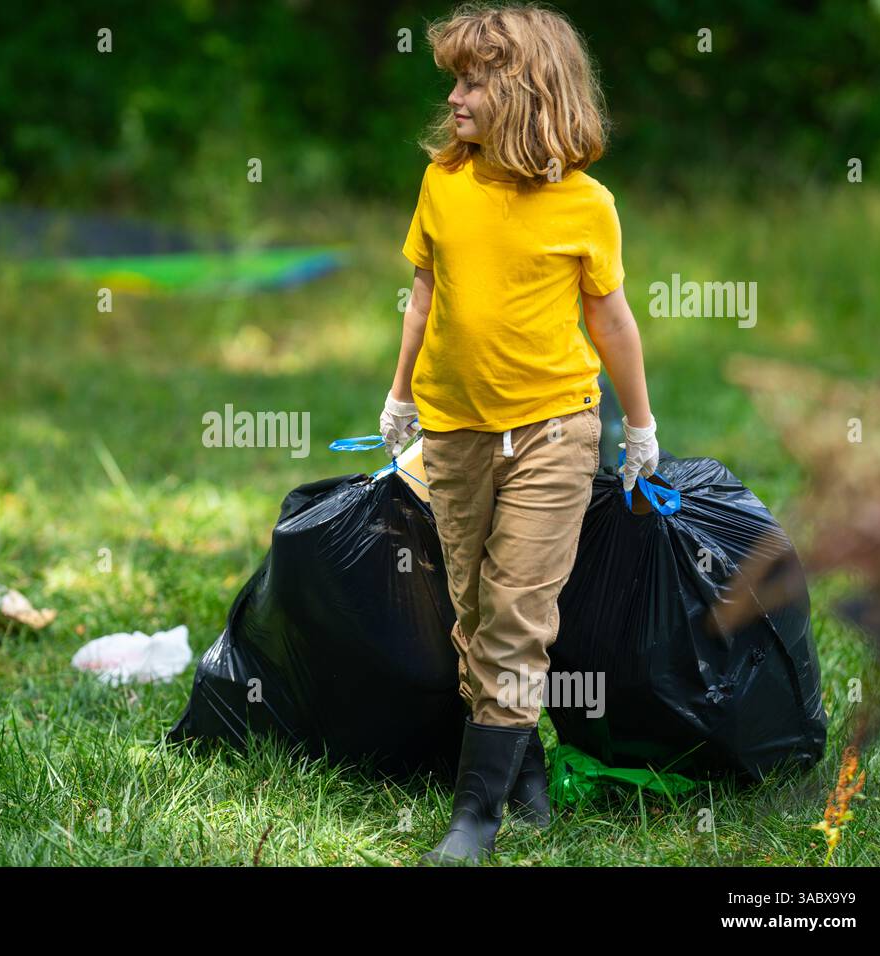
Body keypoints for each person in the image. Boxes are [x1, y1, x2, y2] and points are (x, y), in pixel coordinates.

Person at [380, 2, 660, 865]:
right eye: (454, 81)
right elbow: (423, 297)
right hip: (455, 430)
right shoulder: (444, 183)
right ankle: (524, 772)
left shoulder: (585, 204)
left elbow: (610, 320)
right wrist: (399, 399)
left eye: (473, 82)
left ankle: (476, 818)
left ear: (530, 95)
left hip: (554, 431)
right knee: (469, 609)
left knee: (515, 613)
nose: (455, 97)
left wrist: (640, 424)